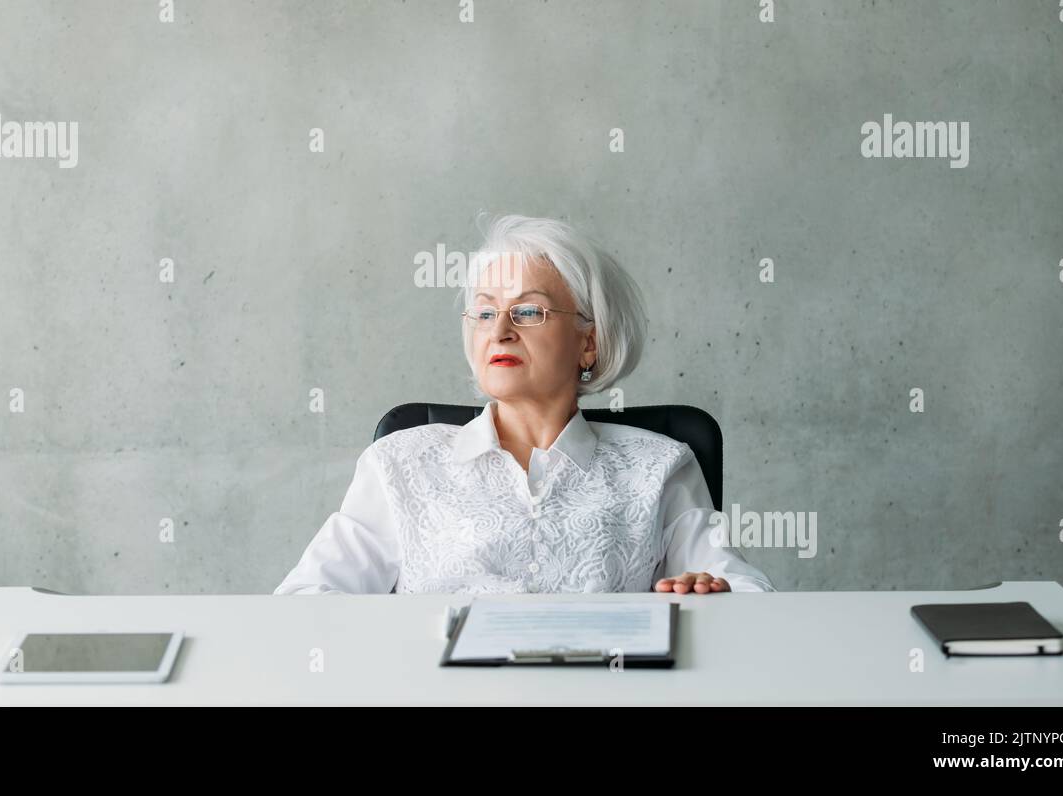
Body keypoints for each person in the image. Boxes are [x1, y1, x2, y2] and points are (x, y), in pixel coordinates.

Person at [275, 213, 775, 595]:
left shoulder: (659, 465)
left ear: (588, 342)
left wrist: (714, 596)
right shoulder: (399, 463)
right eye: (486, 310)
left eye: (529, 310)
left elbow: (748, 596)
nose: (499, 329)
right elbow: (306, 598)